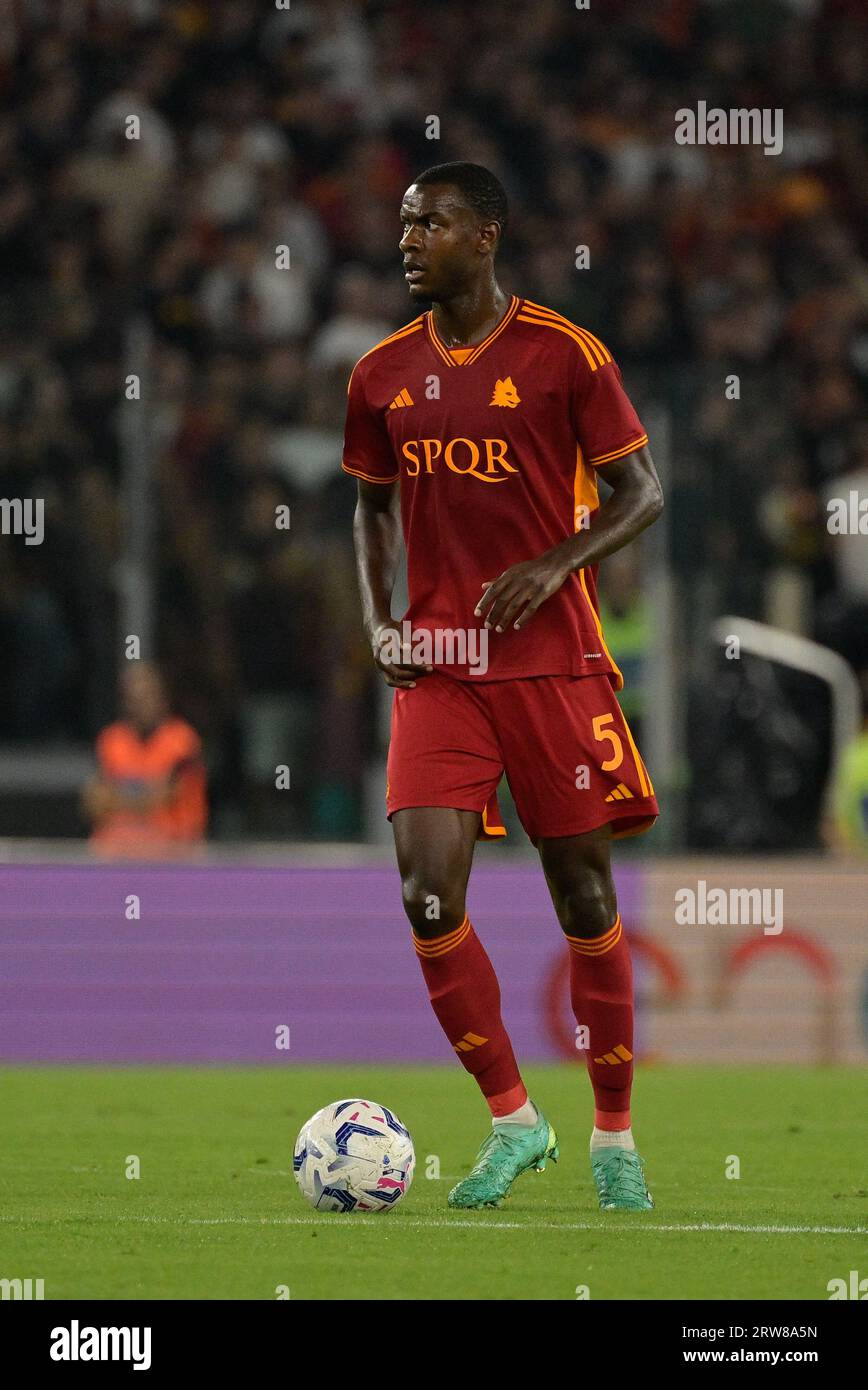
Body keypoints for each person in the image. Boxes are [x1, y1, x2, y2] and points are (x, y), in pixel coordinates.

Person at [343, 162, 662, 1212]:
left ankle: (612, 1134)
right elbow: (369, 508)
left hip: (549, 661)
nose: (408, 240)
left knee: (583, 895)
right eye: (402, 224)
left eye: (429, 224)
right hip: (439, 665)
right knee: (425, 892)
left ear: (484, 237)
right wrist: (379, 618)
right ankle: (513, 1121)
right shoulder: (379, 374)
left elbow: (640, 493)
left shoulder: (566, 356)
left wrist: (555, 560)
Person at [83, 662, 207, 857]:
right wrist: (146, 795)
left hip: (174, 848)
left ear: (162, 697)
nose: (138, 704)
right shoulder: (111, 739)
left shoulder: (181, 739)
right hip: (118, 848)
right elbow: (94, 802)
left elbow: (167, 794)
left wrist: (117, 799)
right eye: (132, 699)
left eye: (146, 696)